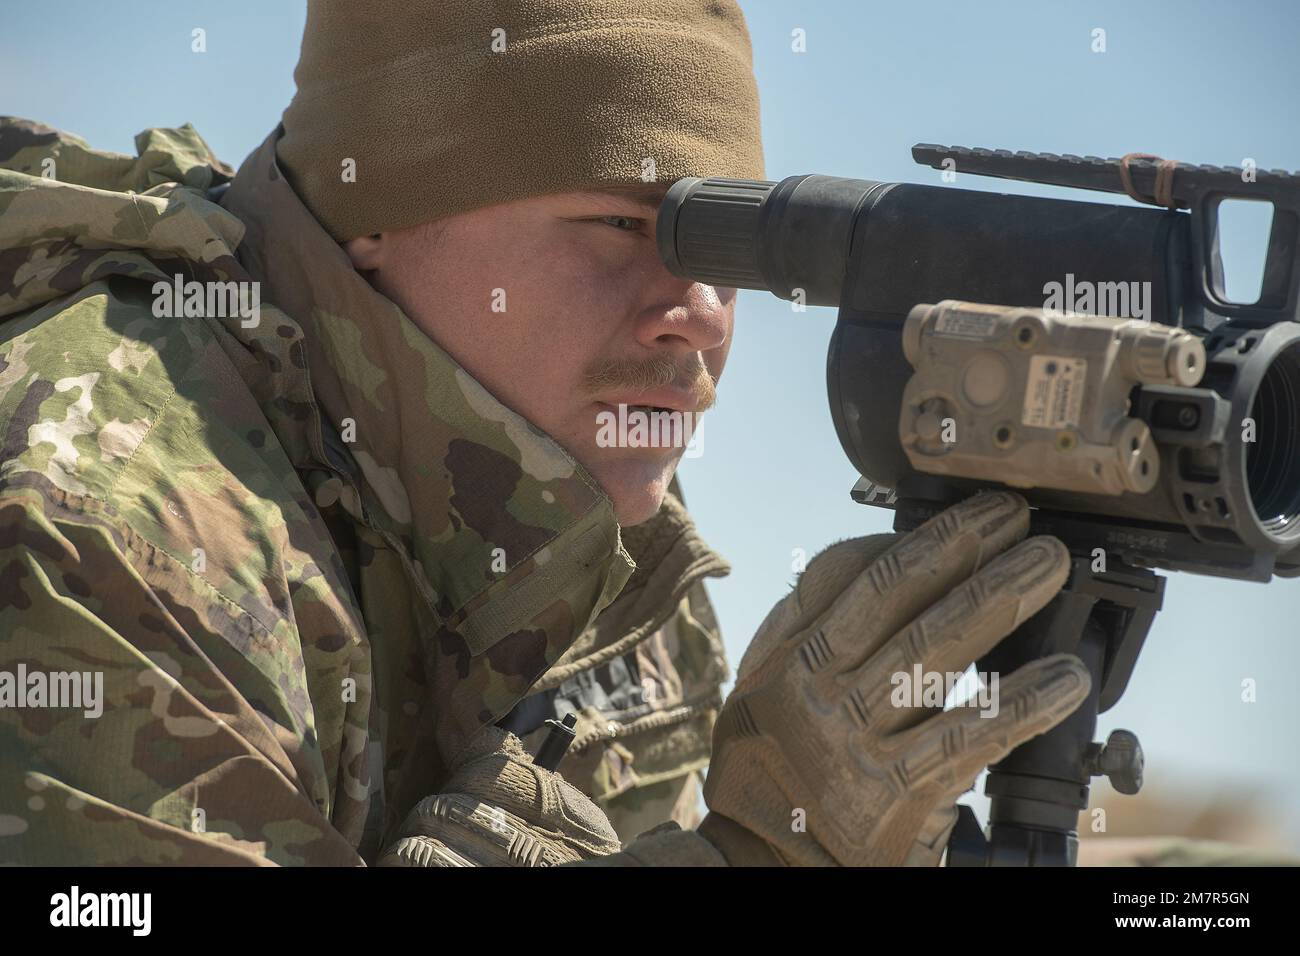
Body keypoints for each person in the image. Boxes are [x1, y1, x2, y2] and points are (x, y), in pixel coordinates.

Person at [0, 0, 1099, 866]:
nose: (703, 315)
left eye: (733, 247)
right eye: (624, 223)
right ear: (376, 208)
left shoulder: (591, 548)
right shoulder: (109, 526)